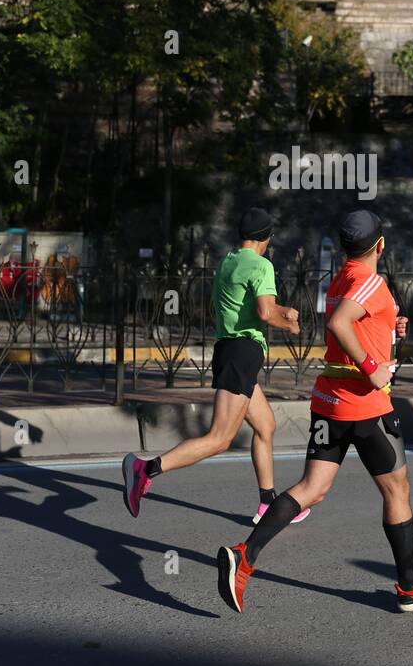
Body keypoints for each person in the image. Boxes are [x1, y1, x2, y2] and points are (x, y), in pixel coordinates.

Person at [216, 208, 413, 614]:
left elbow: (356, 318)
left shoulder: (342, 277)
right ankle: (411, 586)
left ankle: (244, 556)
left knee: (312, 488)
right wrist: (371, 366)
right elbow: (342, 323)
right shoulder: (370, 280)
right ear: (380, 245)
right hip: (366, 407)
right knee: (396, 489)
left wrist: (390, 326)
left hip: (328, 402)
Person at [121, 208, 309, 525]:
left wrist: (283, 309)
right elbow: (264, 313)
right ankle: (145, 469)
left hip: (228, 349)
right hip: (243, 352)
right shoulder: (263, 265)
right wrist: (288, 324)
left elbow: (245, 304)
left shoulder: (229, 261)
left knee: (266, 426)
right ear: (268, 239)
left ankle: (267, 505)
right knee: (220, 438)